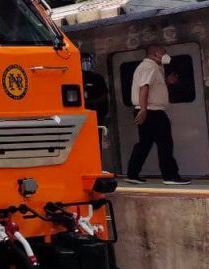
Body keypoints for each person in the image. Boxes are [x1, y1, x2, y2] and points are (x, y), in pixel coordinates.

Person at [125, 44, 191, 185]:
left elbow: (153, 86)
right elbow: (144, 87)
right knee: (165, 143)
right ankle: (170, 176)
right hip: (152, 111)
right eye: (163, 52)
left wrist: (167, 82)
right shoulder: (149, 67)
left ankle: (132, 174)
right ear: (155, 54)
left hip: (150, 110)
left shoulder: (153, 68)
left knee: (145, 143)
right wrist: (143, 109)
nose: (166, 55)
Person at [81, 55, 109, 126]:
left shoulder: (97, 78)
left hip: (97, 113)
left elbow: (104, 96)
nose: (86, 63)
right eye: (84, 61)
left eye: (88, 60)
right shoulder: (73, 78)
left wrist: (89, 103)